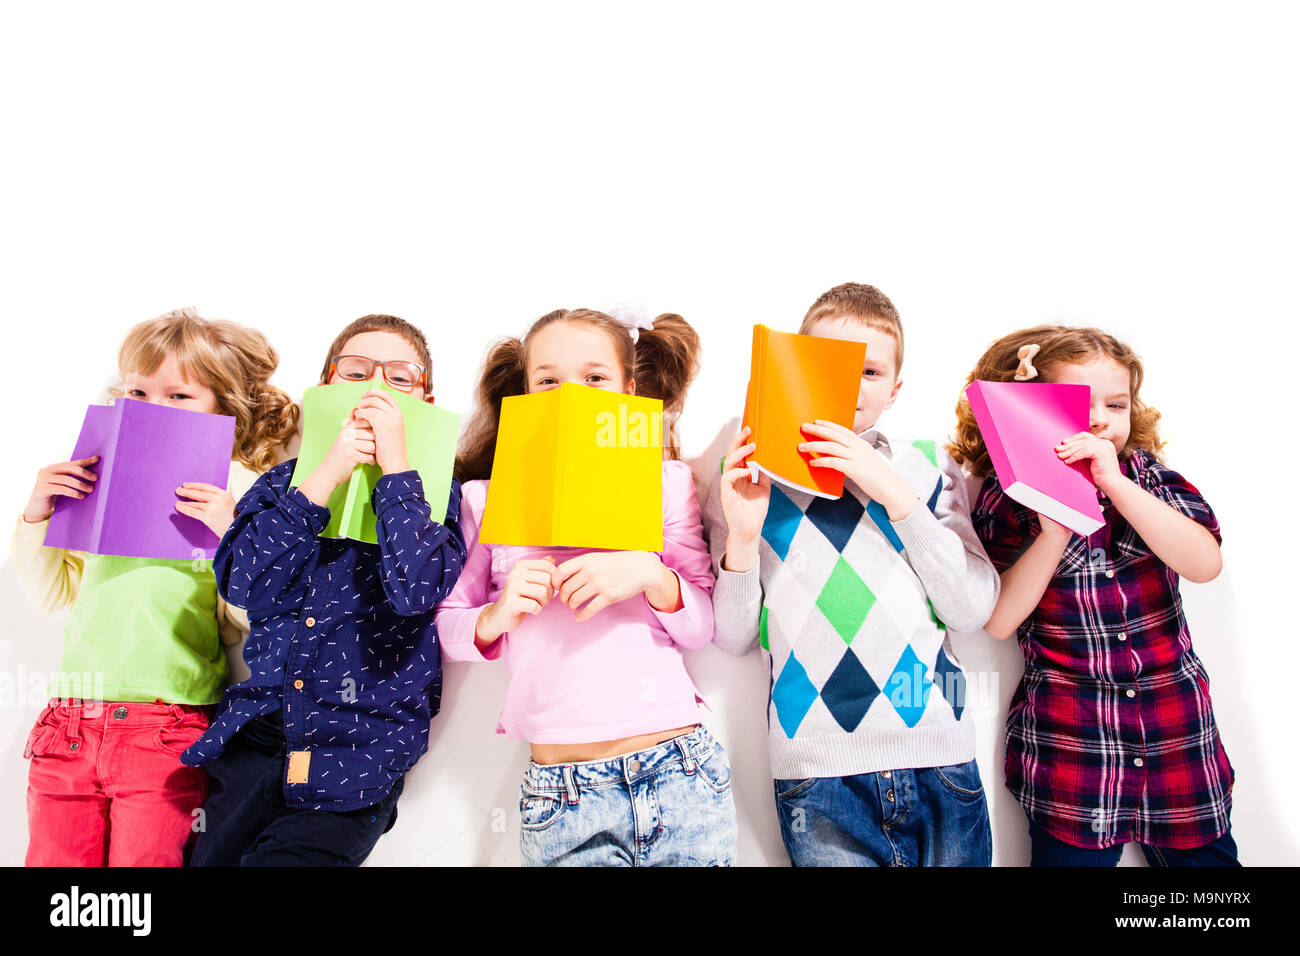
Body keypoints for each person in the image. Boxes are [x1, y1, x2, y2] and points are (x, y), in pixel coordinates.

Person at [704, 282, 999, 866]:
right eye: (828, 364)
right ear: (794, 367)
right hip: (817, 774)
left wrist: (894, 491)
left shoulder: (929, 464)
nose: (848, 385)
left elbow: (972, 609)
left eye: (868, 371)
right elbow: (731, 637)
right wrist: (741, 534)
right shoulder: (748, 475)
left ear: (895, 387)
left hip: (940, 754)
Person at [437, 306, 735, 867]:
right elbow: (448, 624)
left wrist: (649, 575)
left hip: (680, 768)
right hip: (561, 791)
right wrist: (497, 614)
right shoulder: (485, 496)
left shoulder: (666, 483)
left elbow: (701, 626)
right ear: (524, 395)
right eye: (548, 380)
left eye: (593, 377)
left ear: (627, 388)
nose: (570, 394)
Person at [16, 306, 297, 866]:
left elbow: (248, 620)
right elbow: (50, 593)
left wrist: (230, 531)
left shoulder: (238, 487)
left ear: (223, 406)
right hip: (69, 719)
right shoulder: (95, 471)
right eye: (138, 394)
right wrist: (36, 513)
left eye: (179, 396)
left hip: (166, 722)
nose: (153, 410)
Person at [182, 313, 466, 866]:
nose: (377, 389)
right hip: (255, 743)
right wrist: (324, 474)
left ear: (424, 401)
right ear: (326, 384)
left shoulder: (436, 495)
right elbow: (245, 582)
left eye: (400, 378)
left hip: (356, 755)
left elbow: (418, 590)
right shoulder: (279, 484)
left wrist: (398, 471)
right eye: (357, 371)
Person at [954, 324, 1238, 866]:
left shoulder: (1148, 479)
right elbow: (998, 620)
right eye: (1080, 404)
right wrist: (1055, 529)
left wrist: (1115, 485)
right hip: (1072, 749)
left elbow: (1204, 564)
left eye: (1116, 404)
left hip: (1177, 736)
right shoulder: (1006, 500)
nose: (1100, 419)